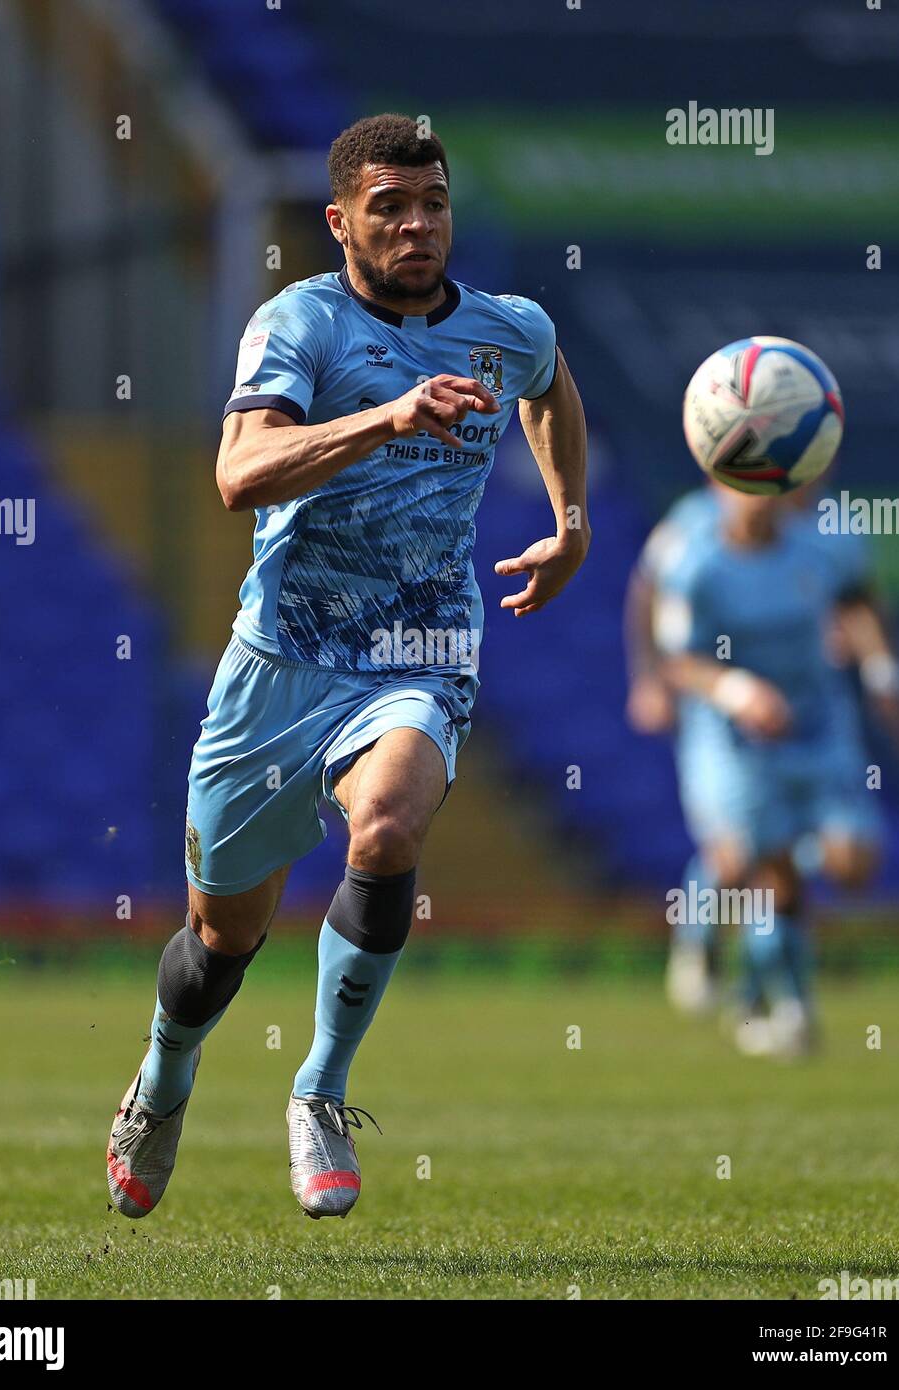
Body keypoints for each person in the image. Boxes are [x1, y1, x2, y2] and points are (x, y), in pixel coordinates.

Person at [107, 113, 589, 1219]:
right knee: (217, 943)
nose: (418, 226)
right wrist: (388, 415)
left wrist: (570, 524)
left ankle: (319, 1088)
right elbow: (240, 473)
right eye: (390, 209)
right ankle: (165, 1075)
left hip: (418, 649)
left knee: (388, 827)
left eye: (434, 205)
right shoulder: (302, 323)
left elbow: (547, 384)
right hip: (280, 661)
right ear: (339, 223)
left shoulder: (505, 328)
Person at [626, 481, 899, 1055]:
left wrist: (883, 674)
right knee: (746, 860)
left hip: (817, 724)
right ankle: (776, 996)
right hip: (733, 732)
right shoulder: (694, 544)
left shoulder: (823, 540)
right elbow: (664, 629)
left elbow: (859, 600)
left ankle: (766, 985)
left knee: (850, 863)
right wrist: (717, 687)